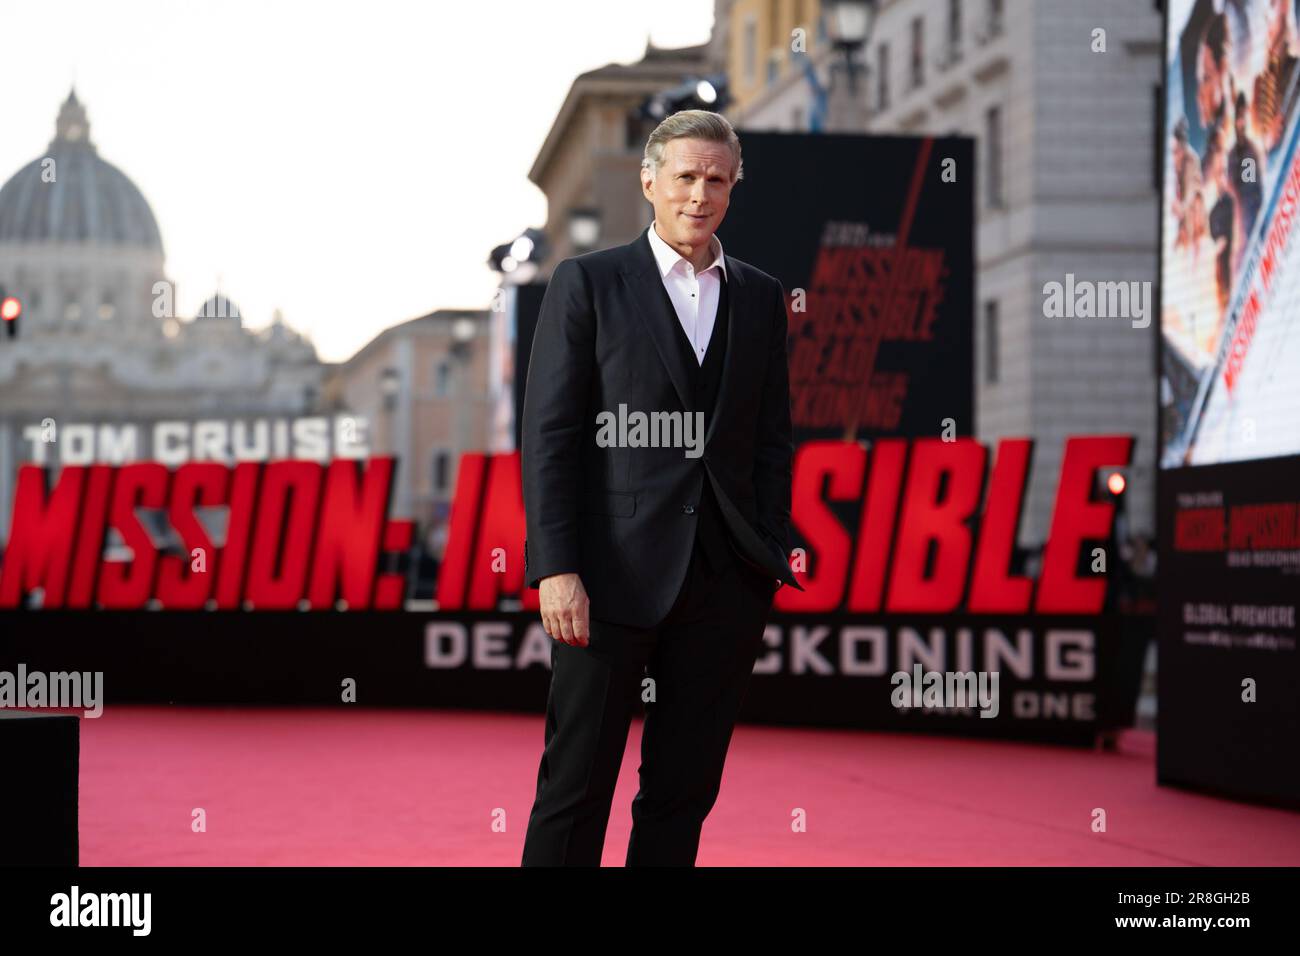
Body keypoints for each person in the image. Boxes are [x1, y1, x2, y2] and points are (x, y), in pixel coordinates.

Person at [519, 109, 802, 866]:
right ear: (650, 182)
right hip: (606, 579)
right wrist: (556, 566)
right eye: (684, 176)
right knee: (575, 788)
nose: (699, 194)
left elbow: (773, 437)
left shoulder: (761, 294)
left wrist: (766, 550)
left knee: (682, 795)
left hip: (724, 581)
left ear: (734, 188)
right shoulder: (588, 283)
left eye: (717, 179)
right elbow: (550, 436)